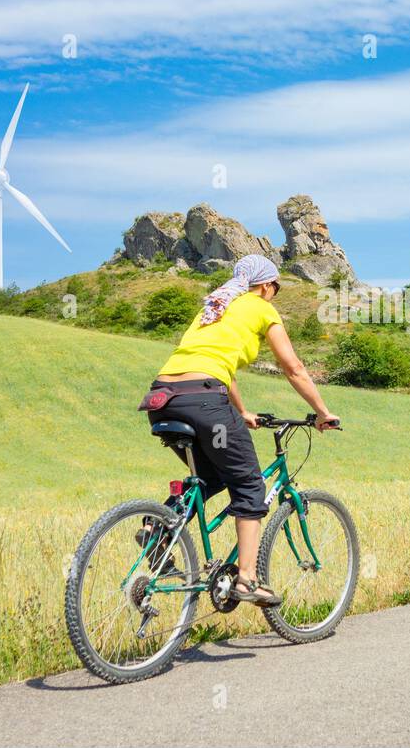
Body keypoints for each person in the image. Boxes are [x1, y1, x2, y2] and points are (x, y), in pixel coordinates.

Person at [145, 254, 339, 606]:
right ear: (265, 285)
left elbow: (223, 368)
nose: (273, 297)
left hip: (162, 399)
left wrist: (242, 411)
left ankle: (156, 527)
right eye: (274, 290)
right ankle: (247, 580)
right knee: (250, 485)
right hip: (205, 402)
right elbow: (292, 367)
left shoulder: (216, 306)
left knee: (211, 476)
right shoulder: (260, 308)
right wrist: (322, 412)